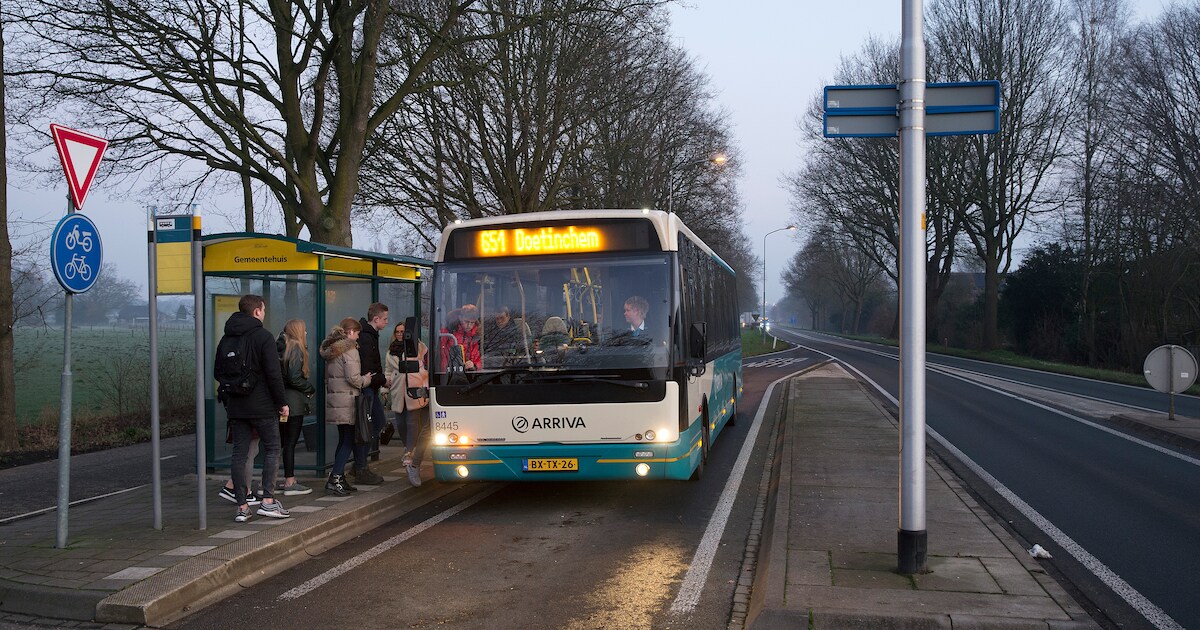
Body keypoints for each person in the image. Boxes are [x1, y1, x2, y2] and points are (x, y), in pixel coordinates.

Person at [214, 294, 290, 522]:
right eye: (263, 310)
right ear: (257, 311)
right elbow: (273, 374)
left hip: (236, 406)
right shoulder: (262, 336)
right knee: (274, 449)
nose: (264, 314)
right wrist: (282, 403)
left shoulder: (227, 338)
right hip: (262, 405)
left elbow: (218, 372)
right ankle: (267, 501)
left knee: (239, 454)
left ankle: (242, 506)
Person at [319, 318, 373, 496]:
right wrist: (367, 379)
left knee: (343, 439)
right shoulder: (349, 349)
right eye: (357, 333)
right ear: (350, 332)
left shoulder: (333, 350)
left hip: (337, 400)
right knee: (348, 440)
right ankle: (335, 478)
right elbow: (353, 379)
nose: (358, 338)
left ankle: (338, 477)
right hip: (348, 401)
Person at [386, 321, 430, 487]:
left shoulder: (417, 347)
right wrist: (386, 386)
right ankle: (408, 449)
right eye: (397, 331)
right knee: (401, 423)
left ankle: (410, 454)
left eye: (403, 331)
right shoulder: (391, 350)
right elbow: (388, 370)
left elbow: (424, 360)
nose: (400, 334)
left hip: (414, 389)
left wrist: (421, 379)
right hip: (398, 390)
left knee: (413, 422)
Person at [276, 319, 315, 495]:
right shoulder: (296, 349)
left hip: (281, 400)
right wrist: (309, 388)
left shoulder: (280, 348)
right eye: (304, 330)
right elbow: (294, 378)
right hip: (293, 403)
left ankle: (272, 481)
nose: (306, 333)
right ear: (298, 331)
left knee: (280, 443)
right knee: (290, 443)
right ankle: (290, 481)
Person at [354, 302, 390, 485]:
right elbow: (368, 368)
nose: (386, 322)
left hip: (372, 387)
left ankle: (360, 465)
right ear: (375, 319)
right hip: (368, 388)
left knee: (374, 425)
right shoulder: (367, 338)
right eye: (384, 319)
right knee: (370, 427)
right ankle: (360, 467)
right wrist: (383, 380)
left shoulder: (369, 335)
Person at [441, 303, 482, 371]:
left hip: (465, 374)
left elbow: (477, 358)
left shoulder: (474, 336)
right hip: (448, 373)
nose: (469, 325)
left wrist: (473, 365)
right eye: (466, 321)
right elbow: (441, 355)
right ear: (460, 318)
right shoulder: (447, 333)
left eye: (472, 323)